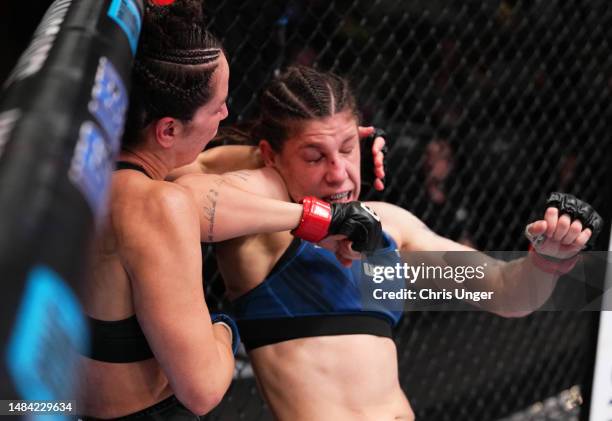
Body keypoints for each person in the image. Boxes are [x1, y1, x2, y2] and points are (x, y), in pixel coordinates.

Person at [176, 65, 600, 421]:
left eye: (347, 149)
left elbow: (507, 292)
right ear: (269, 156)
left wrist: (545, 263)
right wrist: (314, 216)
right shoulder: (260, 225)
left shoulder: (389, 226)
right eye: (314, 156)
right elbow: (175, 199)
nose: (339, 173)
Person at [78, 2, 384, 419]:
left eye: (348, 149)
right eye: (216, 108)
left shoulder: (88, 165)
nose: (225, 117)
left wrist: (326, 181)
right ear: (167, 129)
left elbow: (496, 284)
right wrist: (223, 325)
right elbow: (202, 389)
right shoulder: (179, 201)